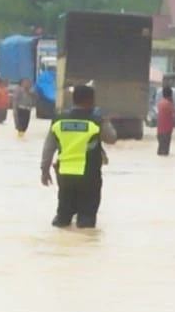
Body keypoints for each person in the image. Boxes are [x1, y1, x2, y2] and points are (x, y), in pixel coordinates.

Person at [40, 84, 118, 229]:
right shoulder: (96, 121)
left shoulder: (59, 121)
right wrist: (106, 121)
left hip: (65, 175)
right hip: (89, 175)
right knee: (86, 220)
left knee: (63, 217)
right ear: (90, 101)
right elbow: (111, 138)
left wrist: (44, 170)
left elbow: (48, 148)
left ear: (74, 100)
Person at [156, 86, 175, 156]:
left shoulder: (160, 103)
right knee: (165, 153)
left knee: (160, 151)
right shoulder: (169, 104)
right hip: (167, 132)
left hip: (159, 131)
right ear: (170, 94)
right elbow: (174, 115)